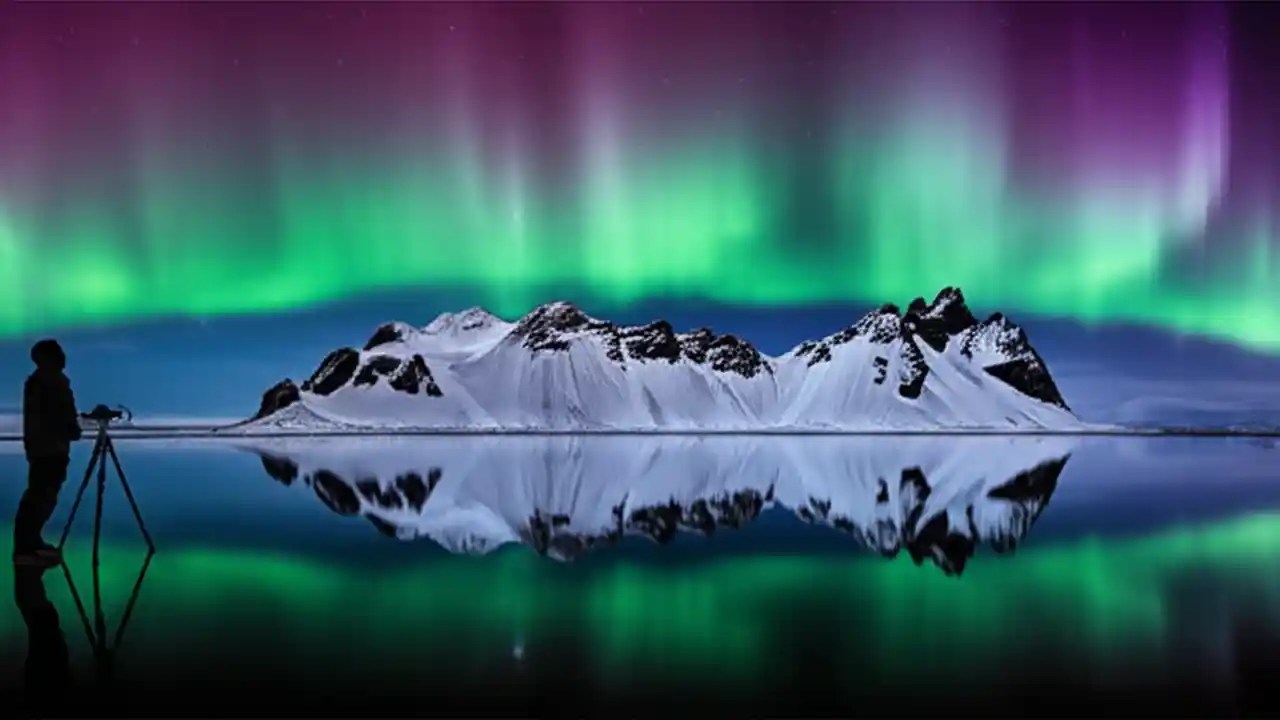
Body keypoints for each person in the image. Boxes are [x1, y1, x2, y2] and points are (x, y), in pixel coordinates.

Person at [14, 338, 82, 565]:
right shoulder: (42, 384)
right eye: (57, 353)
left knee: (46, 495)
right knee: (39, 496)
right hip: (46, 448)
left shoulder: (54, 381)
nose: (62, 357)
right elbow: (46, 418)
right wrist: (68, 428)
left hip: (53, 448)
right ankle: (26, 547)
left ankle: (32, 542)